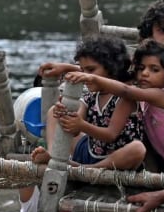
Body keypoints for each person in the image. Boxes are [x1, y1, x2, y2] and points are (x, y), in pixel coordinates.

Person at [65, 39, 164, 176]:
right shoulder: (143, 92)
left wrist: (94, 79)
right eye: (141, 68)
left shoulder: (163, 95)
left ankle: (90, 169)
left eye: (154, 70)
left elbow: (126, 90)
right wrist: (67, 68)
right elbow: (116, 71)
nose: (144, 73)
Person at [31, 34, 146, 170]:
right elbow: (74, 130)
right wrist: (66, 117)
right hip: (89, 153)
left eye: (90, 70)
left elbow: (110, 135)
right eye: (82, 69)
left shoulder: (124, 97)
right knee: (52, 113)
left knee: (138, 149)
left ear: (111, 68)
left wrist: (81, 125)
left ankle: (85, 170)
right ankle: (54, 157)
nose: (84, 75)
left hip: (116, 160)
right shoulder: (92, 96)